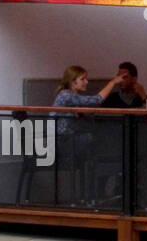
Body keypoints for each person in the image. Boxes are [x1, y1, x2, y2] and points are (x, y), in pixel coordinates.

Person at [53, 66, 129, 204]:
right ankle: (99, 191)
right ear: (72, 81)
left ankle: (97, 191)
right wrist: (112, 83)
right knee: (100, 144)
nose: (86, 82)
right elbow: (95, 101)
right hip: (64, 143)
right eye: (82, 79)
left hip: (70, 141)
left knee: (99, 141)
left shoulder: (70, 96)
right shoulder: (66, 95)